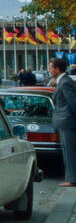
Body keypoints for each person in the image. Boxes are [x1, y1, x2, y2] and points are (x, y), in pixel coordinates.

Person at [49, 58, 76, 186]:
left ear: (57, 69)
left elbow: (73, 102)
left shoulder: (65, 82)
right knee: (66, 151)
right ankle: (69, 178)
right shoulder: (61, 81)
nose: (49, 70)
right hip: (65, 121)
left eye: (50, 68)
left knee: (70, 151)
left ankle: (72, 180)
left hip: (68, 121)